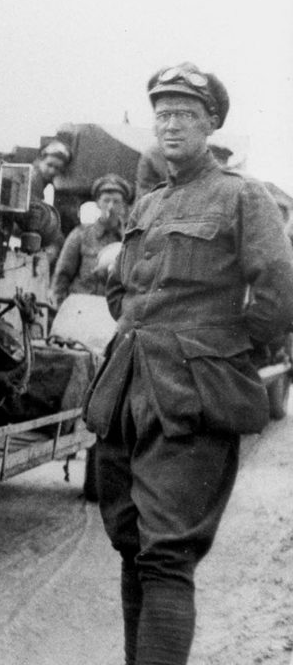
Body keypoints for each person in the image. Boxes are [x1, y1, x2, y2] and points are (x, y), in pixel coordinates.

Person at [85, 62, 293, 665]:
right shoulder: (146, 205)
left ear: (211, 125)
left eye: (186, 115)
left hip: (191, 397)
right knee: (131, 545)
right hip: (127, 391)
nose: (171, 125)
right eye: (163, 114)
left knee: (167, 556)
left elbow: (280, 289)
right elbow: (123, 289)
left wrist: (225, 348)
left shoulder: (240, 196)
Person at [50, 173, 133, 307]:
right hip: (82, 308)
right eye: (106, 200)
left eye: (116, 201)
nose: (110, 206)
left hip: (113, 311)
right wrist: (60, 308)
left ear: (123, 207)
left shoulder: (129, 241)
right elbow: (62, 276)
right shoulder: (80, 235)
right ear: (98, 203)